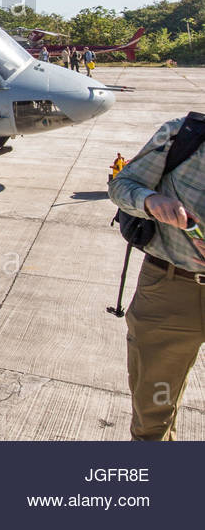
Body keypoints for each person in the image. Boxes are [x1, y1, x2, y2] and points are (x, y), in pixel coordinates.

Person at [108, 114, 205, 439]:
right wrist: (150, 201)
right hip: (169, 291)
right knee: (152, 422)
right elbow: (121, 186)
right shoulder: (183, 135)